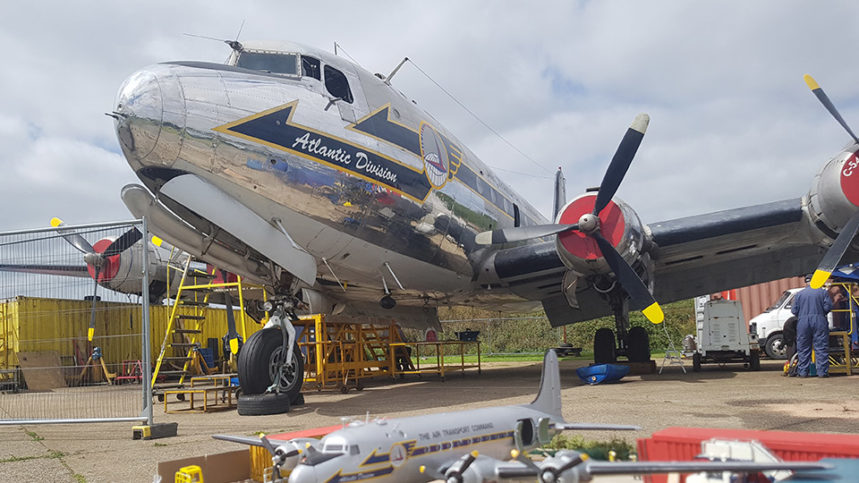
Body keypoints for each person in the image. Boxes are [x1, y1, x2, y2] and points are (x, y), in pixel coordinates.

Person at [791, 276, 833, 377]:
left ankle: (803, 372)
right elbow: (828, 307)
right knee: (821, 347)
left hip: (803, 321)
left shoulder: (799, 294)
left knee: (803, 347)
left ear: (806, 282)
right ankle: (822, 372)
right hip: (819, 320)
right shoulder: (823, 292)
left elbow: (794, 311)